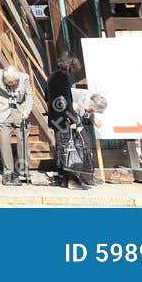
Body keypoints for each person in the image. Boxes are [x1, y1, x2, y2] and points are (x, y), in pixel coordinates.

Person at [45, 52, 94, 189]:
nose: (74, 71)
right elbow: (65, 101)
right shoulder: (63, 78)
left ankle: (64, 180)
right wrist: (72, 119)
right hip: (63, 119)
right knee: (69, 149)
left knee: (63, 149)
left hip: (55, 118)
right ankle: (72, 181)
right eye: (74, 67)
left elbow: (46, 97)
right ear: (69, 65)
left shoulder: (51, 76)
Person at [0, 66, 34, 184]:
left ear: (17, 78)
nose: (10, 84)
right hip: (4, 112)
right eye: (8, 82)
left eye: (13, 82)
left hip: (20, 111)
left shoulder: (24, 78)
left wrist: (27, 110)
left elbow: (29, 95)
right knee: (4, 141)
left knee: (22, 141)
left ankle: (23, 169)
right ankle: (8, 171)